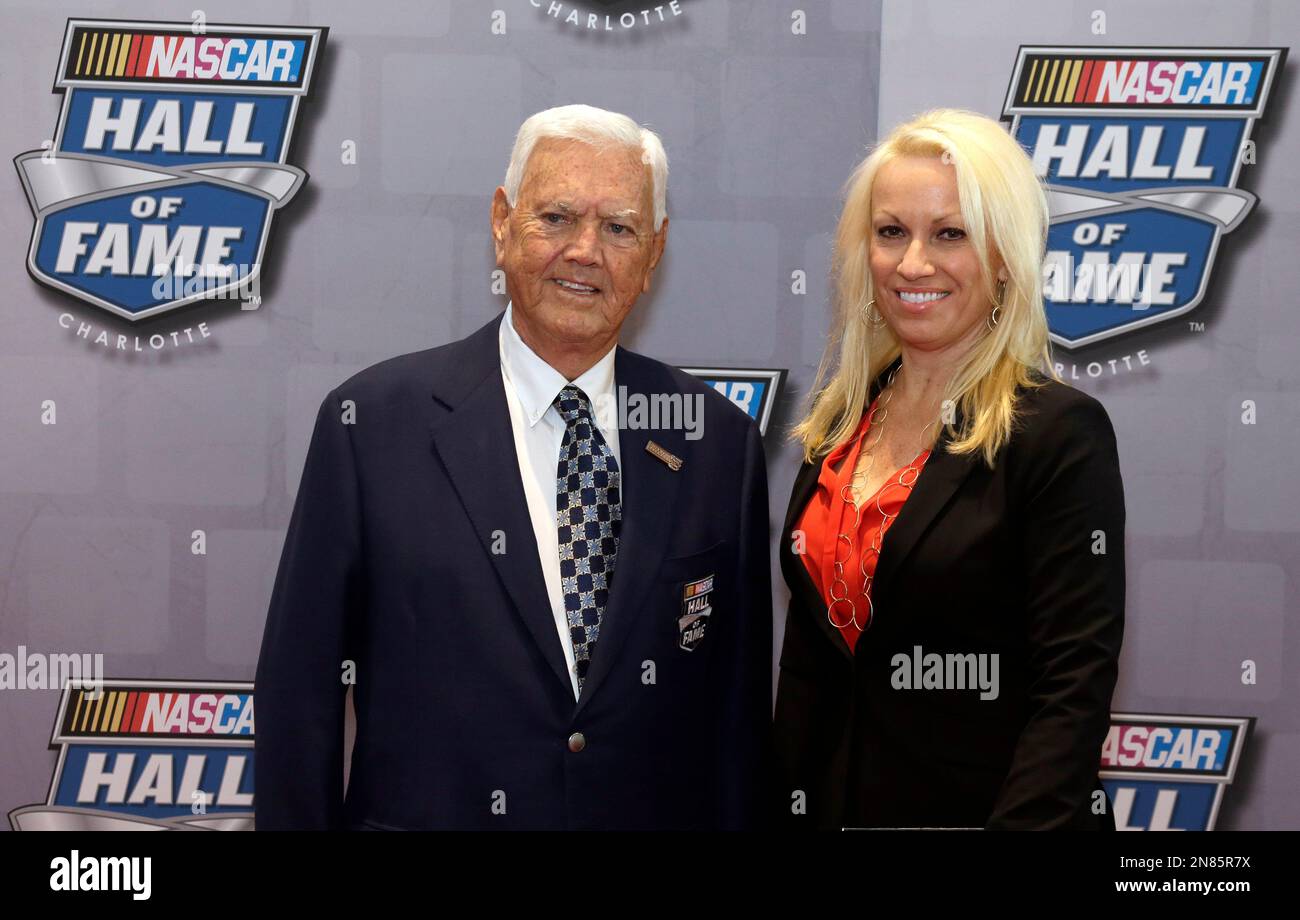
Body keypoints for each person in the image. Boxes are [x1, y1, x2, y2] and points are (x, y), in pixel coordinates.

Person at [255, 104, 771, 830]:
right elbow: (297, 696)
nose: (585, 250)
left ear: (653, 255)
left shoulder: (716, 442)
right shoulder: (369, 426)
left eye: (619, 228)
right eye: (556, 217)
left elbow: (737, 725)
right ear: (502, 223)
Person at [773, 108, 1125, 830]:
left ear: (1003, 256)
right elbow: (810, 674)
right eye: (891, 231)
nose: (913, 265)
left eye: (950, 234)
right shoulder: (838, 428)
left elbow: (1072, 691)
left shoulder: (1058, 434)